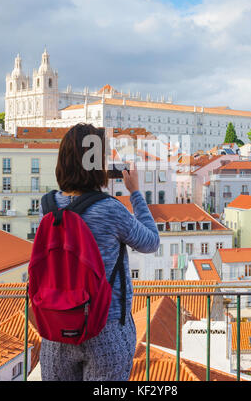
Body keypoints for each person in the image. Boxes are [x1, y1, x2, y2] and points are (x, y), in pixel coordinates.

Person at [39, 123, 160, 381]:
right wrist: (136, 192)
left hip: (57, 325)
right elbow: (150, 242)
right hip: (105, 327)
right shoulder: (109, 209)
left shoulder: (48, 207)